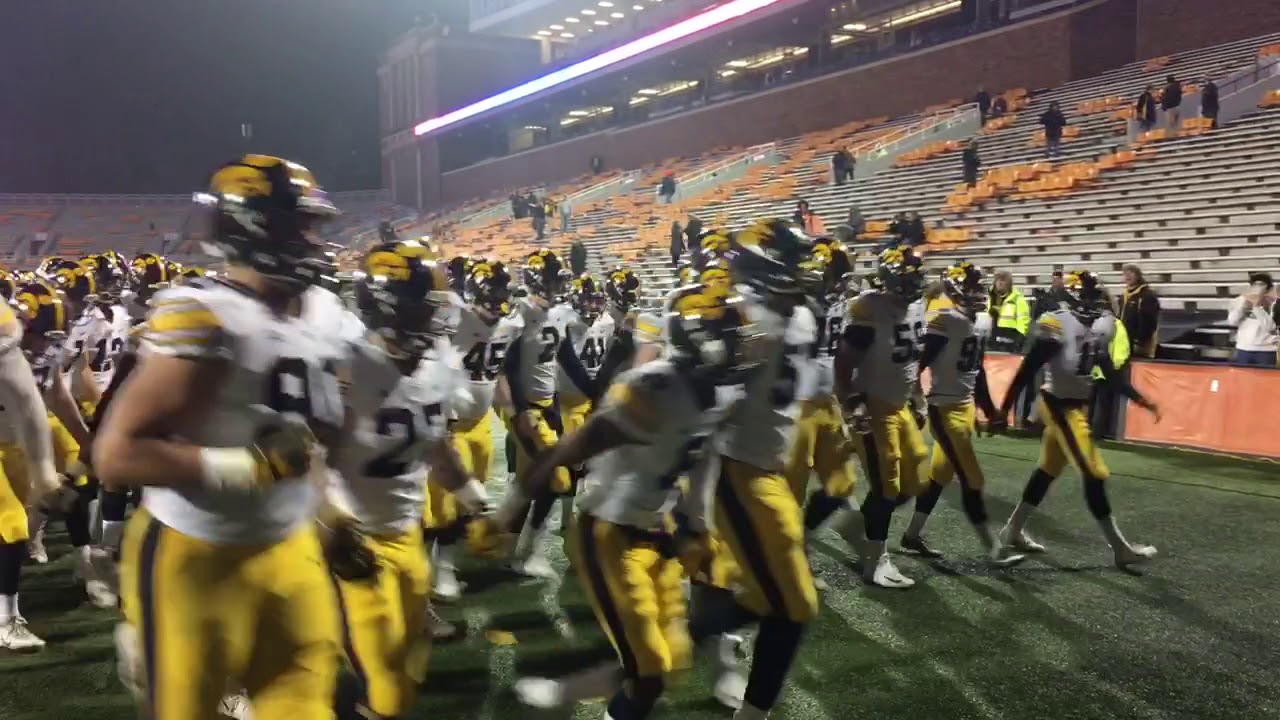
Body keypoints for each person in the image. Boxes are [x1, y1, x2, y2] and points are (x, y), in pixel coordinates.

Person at [95, 155, 347, 718]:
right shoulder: (206, 316)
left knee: (306, 706)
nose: (314, 240)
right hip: (196, 557)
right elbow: (116, 455)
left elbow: (314, 436)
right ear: (254, 229)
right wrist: (248, 467)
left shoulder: (326, 310)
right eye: (299, 226)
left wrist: (330, 512)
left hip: (290, 544)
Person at [511, 286, 760, 719]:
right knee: (648, 670)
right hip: (608, 528)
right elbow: (569, 450)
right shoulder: (652, 387)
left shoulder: (721, 392)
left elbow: (702, 464)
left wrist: (697, 526)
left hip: (656, 526)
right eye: (731, 334)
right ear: (699, 338)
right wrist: (506, 511)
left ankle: (573, 692)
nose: (742, 343)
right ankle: (572, 694)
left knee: (669, 665)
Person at [995, 270, 1162, 569]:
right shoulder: (1056, 322)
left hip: (1076, 406)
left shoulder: (1102, 325)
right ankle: (1120, 547)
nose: (1092, 302)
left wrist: (1139, 398)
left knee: (1047, 471)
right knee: (1093, 472)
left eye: (1093, 296)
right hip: (1057, 405)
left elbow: (1106, 369)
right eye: (1085, 296)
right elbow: (1028, 368)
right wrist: (1003, 408)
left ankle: (1012, 530)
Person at [900, 262, 1025, 566]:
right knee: (972, 478)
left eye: (978, 287)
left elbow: (976, 370)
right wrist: (915, 400)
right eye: (970, 287)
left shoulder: (980, 320)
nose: (977, 293)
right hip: (943, 408)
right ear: (955, 289)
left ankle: (911, 535)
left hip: (964, 406)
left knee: (940, 475)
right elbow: (917, 365)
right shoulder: (945, 320)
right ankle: (994, 550)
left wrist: (990, 408)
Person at [0, 279, 67, 651]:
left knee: (16, 523)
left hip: (10, 443)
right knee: (10, 523)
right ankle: (6, 621)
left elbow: (29, 405)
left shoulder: (5, 330)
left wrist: (43, 470)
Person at [1226, 272, 1279, 366]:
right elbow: (1232, 322)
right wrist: (1242, 307)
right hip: (1244, 347)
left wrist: (1257, 307)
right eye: (1255, 284)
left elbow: (1270, 327)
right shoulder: (1241, 300)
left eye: (1261, 284)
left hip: (1266, 349)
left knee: (1265, 379)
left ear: (1268, 288)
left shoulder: (1274, 304)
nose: (1258, 287)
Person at [1119, 264, 1160, 358]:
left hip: (1140, 344)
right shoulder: (1123, 296)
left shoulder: (1147, 295)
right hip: (1124, 341)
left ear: (1138, 276)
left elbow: (1150, 321)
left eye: (1131, 273)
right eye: (1125, 274)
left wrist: (1140, 340)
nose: (1127, 276)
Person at [989, 270, 1030, 351]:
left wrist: (1020, 337)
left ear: (1009, 283)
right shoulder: (991, 298)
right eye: (998, 280)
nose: (1000, 283)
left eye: (1003, 280)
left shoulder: (1018, 299)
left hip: (1011, 337)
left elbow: (1023, 319)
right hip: (993, 338)